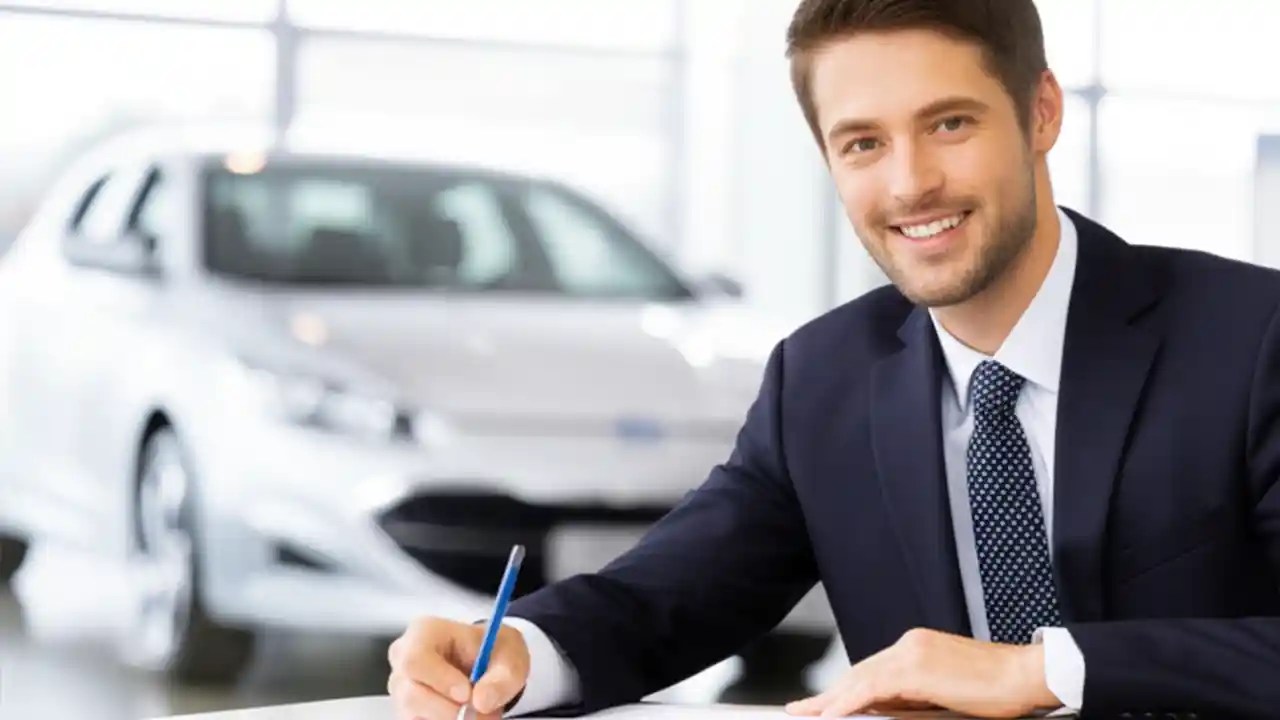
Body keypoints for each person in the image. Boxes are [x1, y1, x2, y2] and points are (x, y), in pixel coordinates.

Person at [386, 0, 1280, 717]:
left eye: (950, 123)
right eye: (863, 143)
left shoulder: (1251, 338)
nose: (908, 183)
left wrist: (1043, 671)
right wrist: (517, 652)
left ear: (1040, 111)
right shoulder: (822, 378)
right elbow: (671, 597)